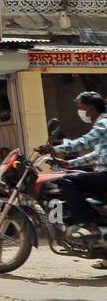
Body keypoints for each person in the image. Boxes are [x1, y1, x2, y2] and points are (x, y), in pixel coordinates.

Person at [40, 91, 107, 256]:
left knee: (68, 181)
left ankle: (88, 225)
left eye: (81, 107)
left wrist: (54, 148)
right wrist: (69, 163)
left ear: (90, 108)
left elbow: (84, 142)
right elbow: (97, 154)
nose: (80, 111)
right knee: (77, 180)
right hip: (102, 172)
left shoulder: (103, 123)